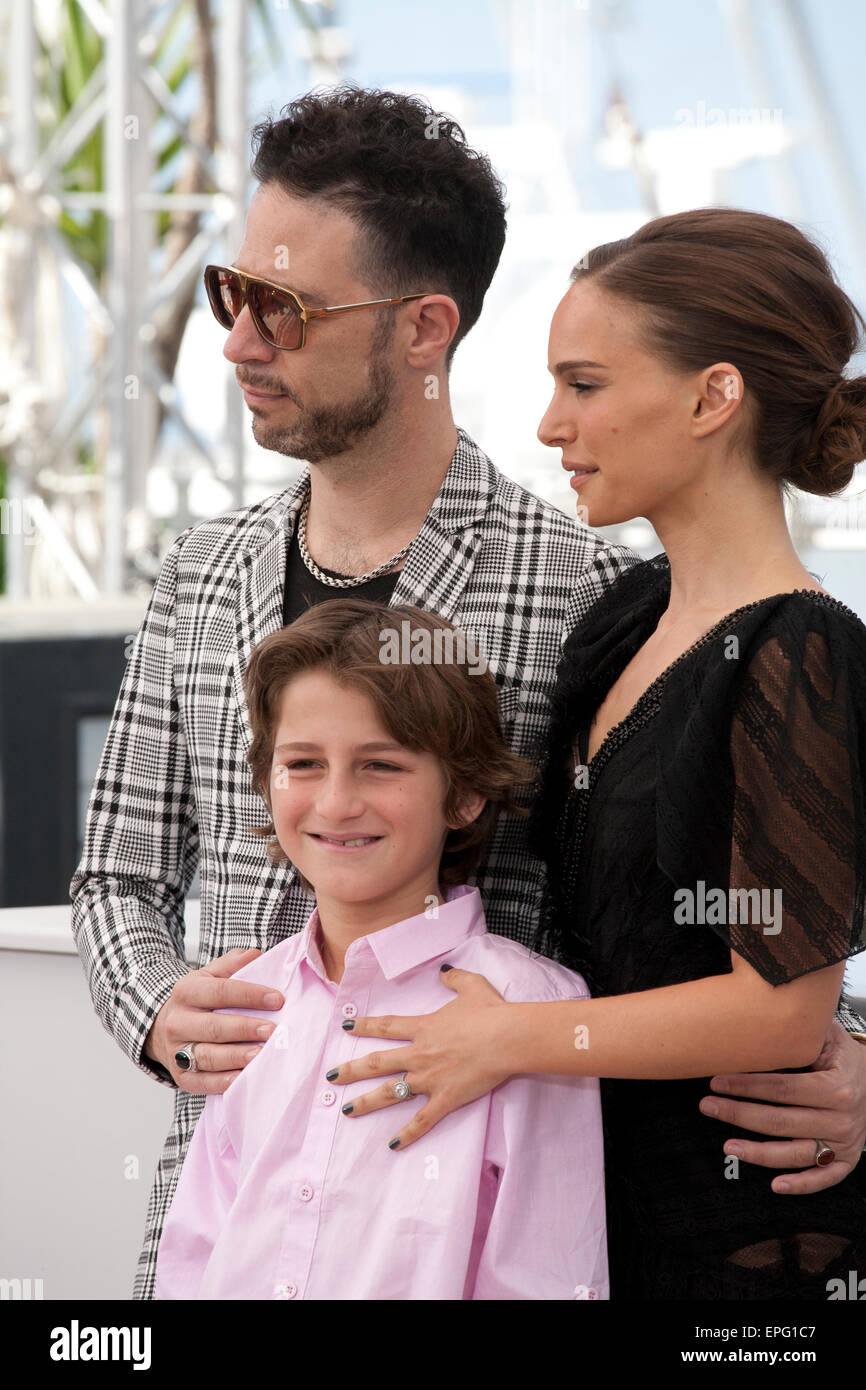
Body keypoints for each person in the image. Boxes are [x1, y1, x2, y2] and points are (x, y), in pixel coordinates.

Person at [68, 88, 865, 1301]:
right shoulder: (196, 572)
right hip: (224, 1229)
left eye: (279, 306)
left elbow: (690, 910)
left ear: (423, 327)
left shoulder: (601, 593)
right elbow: (115, 873)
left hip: (481, 1221)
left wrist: (844, 1047)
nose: (235, 340)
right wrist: (156, 1013)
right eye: (232, 296)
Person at [318, 208, 866, 1300]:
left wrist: (510, 1039)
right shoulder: (623, 614)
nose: (548, 424)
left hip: (737, 1235)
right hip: (579, 1204)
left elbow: (778, 1009)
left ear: (713, 396)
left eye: (584, 384)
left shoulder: (798, 651)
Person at [154, 599, 608, 1300]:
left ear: (464, 797)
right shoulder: (247, 1001)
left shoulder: (532, 1008)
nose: (335, 803)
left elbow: (547, 1277)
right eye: (303, 763)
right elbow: (196, 1252)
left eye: (380, 766)